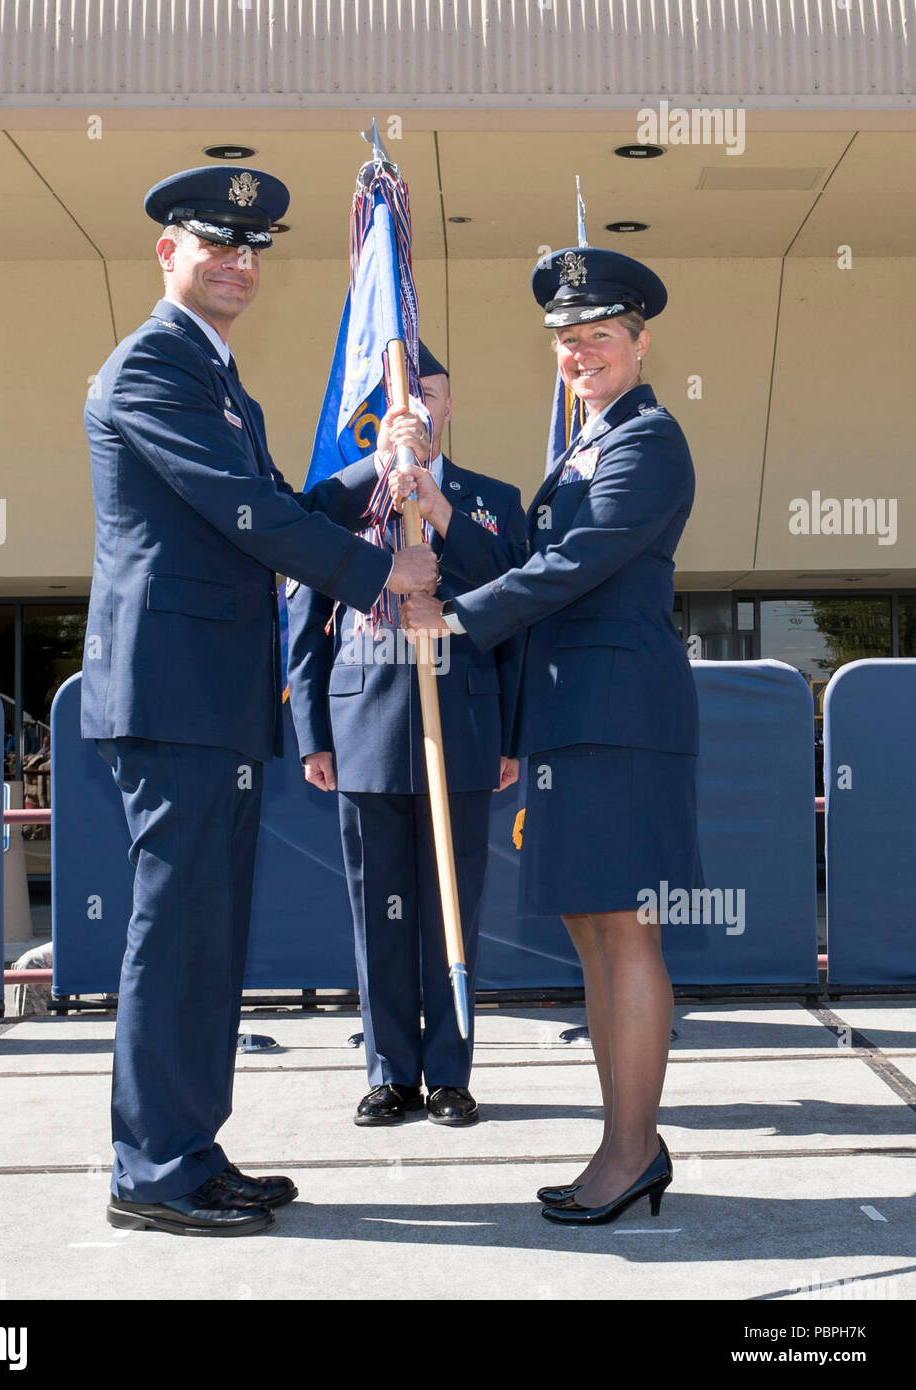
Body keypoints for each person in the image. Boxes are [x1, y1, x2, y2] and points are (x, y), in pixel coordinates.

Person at [81, 166, 438, 1237]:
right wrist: (381, 575)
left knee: (206, 936)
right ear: (166, 253)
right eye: (214, 242)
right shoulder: (152, 365)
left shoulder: (219, 376)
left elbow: (277, 502)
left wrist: (379, 473)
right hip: (171, 696)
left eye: (252, 248)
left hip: (213, 697)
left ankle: (190, 1147)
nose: (237, 261)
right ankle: (151, 1168)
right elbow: (241, 511)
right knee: (175, 932)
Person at [398, 246, 703, 1226]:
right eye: (566, 342)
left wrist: (454, 619)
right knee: (589, 932)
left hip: (617, 717)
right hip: (572, 714)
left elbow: (575, 563)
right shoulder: (582, 445)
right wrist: (431, 496)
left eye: (597, 337)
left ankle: (630, 1152)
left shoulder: (644, 442)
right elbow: (528, 556)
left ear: (639, 341)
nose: (579, 354)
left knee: (625, 929)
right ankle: (621, 1144)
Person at [286, 346, 525, 1127]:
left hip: (461, 723)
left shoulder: (492, 501)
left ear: (449, 404)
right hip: (365, 726)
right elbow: (304, 621)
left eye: (428, 390)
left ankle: (451, 1074)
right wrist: (312, 732)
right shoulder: (335, 500)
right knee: (381, 909)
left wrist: (512, 736)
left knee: (453, 907)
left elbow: (516, 603)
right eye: (400, 393)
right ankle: (390, 1072)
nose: (415, 403)